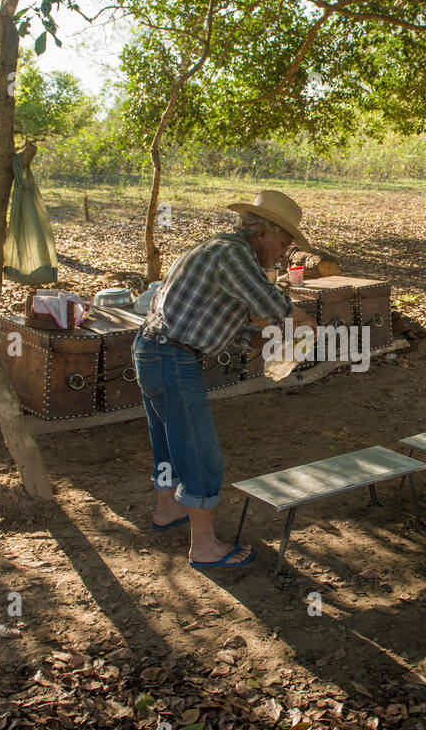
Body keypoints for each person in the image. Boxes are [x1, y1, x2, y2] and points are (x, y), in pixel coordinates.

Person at [134, 190, 317, 568]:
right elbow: (268, 304)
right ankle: (203, 547)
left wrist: (256, 341)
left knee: (169, 440)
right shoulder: (233, 254)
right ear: (264, 231)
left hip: (152, 349)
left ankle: (167, 510)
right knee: (201, 451)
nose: (284, 253)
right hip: (172, 357)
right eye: (284, 243)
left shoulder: (219, 251)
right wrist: (303, 321)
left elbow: (217, 319)